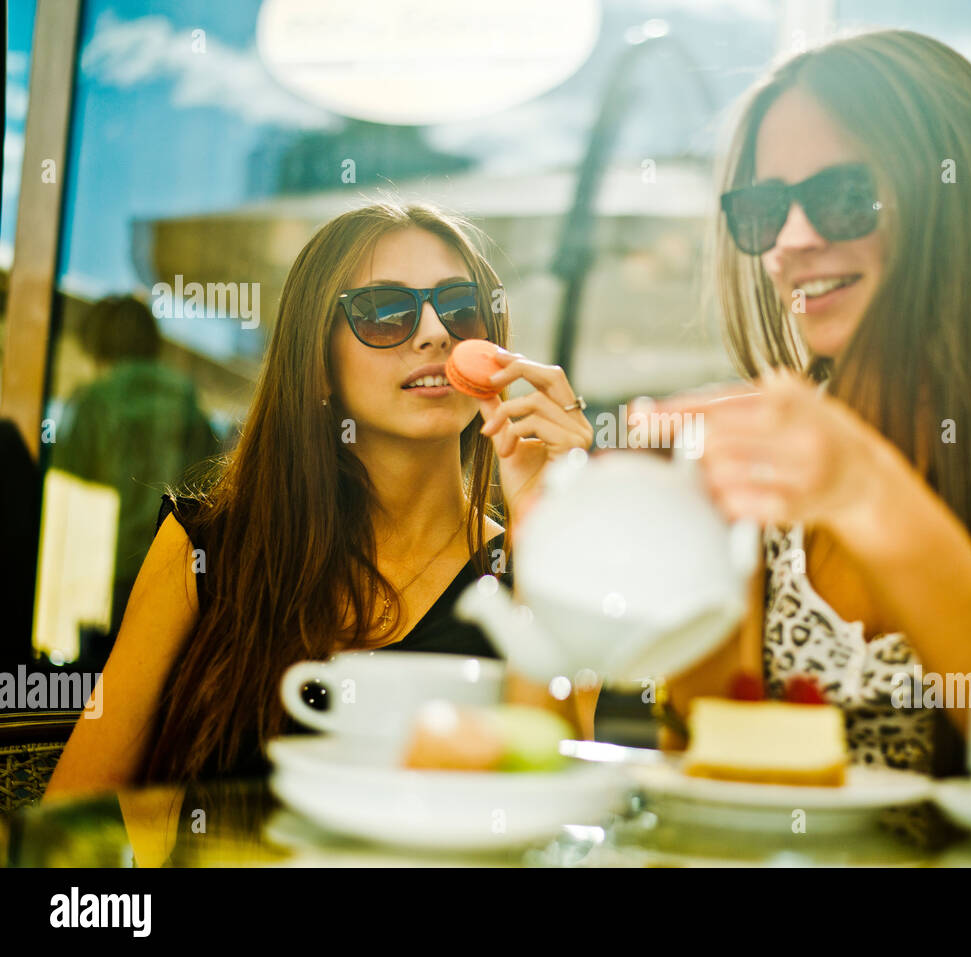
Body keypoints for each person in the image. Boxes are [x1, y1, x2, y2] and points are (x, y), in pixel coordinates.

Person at [657, 30, 971, 786]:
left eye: (843, 196)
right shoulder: (752, 463)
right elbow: (710, 759)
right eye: (764, 209)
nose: (791, 242)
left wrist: (871, 492)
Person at [46, 201, 593, 794]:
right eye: (385, 312)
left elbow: (557, 809)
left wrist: (545, 536)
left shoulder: (535, 572)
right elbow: (75, 820)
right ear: (318, 368)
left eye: (461, 307)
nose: (437, 333)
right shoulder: (206, 548)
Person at [50, 295, 221, 670]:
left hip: (106, 581)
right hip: (176, 572)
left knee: (101, 685)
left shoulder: (95, 400)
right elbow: (211, 488)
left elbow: (65, 500)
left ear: (97, 345)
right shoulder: (189, 404)